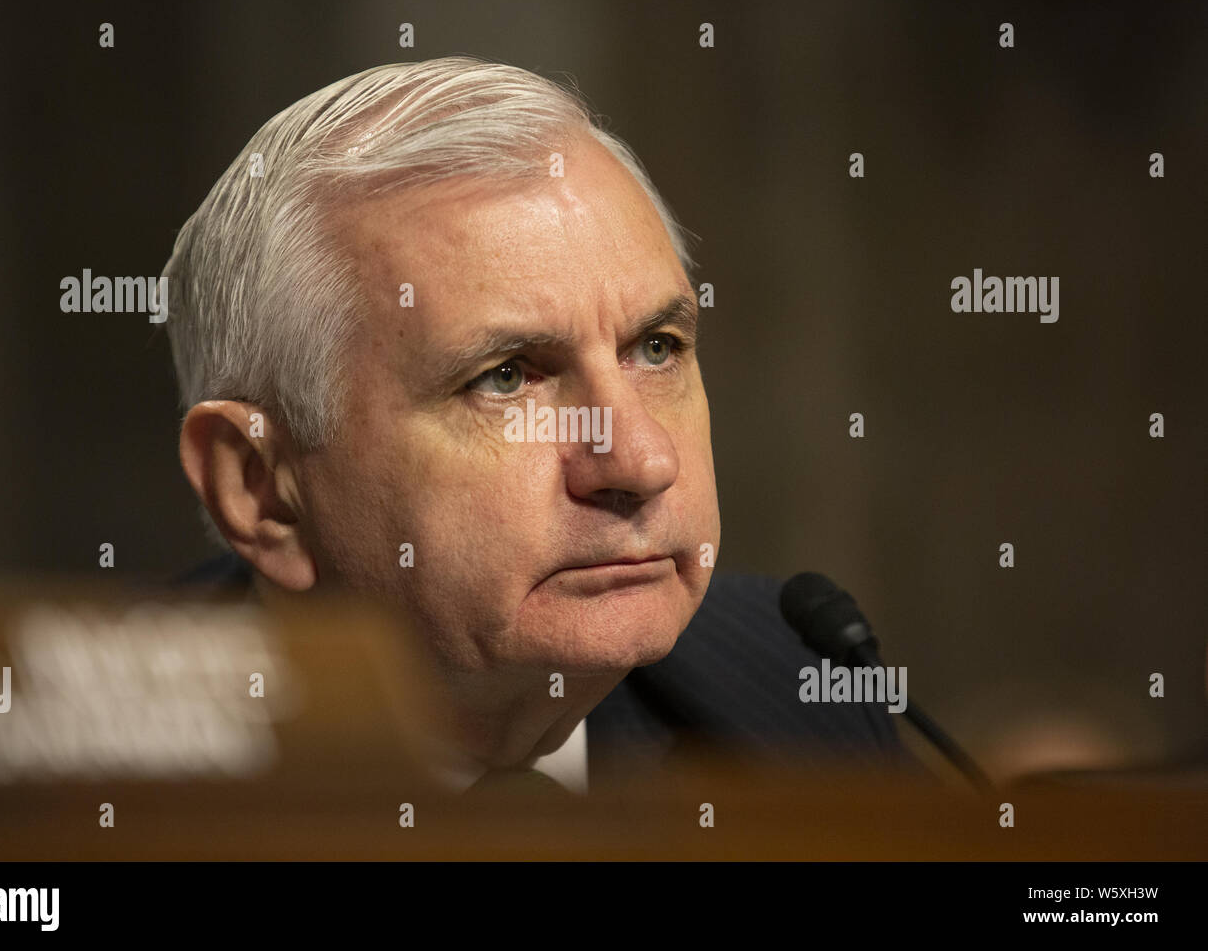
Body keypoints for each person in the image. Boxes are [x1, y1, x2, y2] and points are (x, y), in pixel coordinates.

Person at [163, 56, 915, 795]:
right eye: (506, 378)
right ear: (259, 487)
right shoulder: (86, 792)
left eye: (657, 349)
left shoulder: (792, 692)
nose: (640, 461)